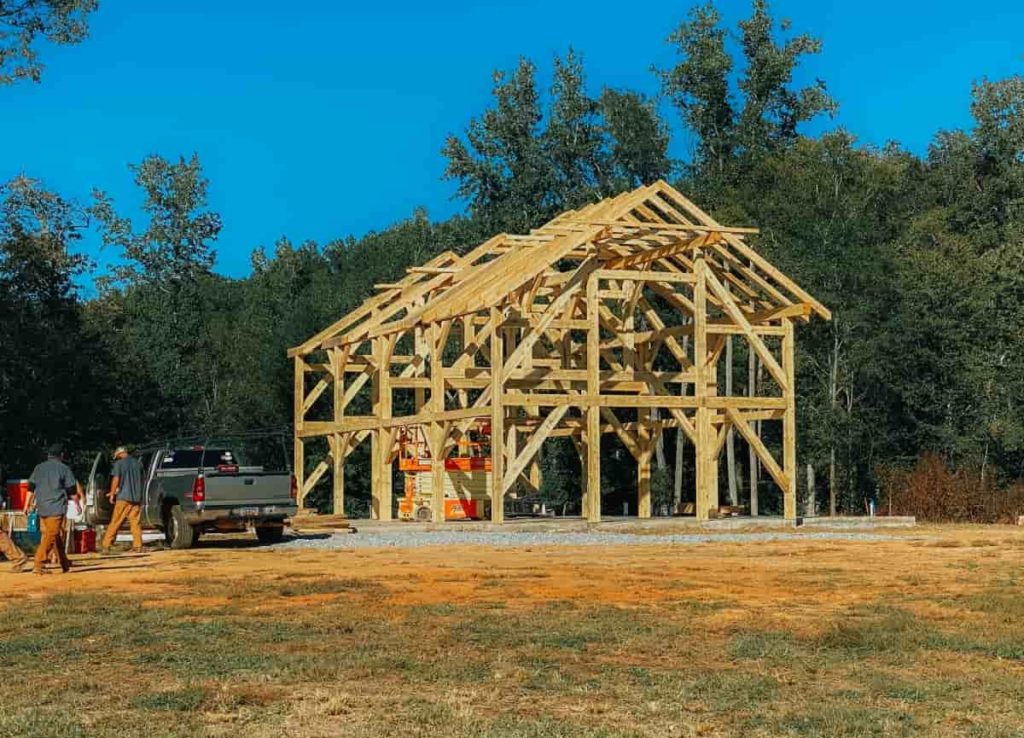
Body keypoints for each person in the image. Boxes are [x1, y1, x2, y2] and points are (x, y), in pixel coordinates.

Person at [25, 444, 79, 575]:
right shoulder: (64, 468)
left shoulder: (38, 468)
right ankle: (39, 563)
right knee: (52, 535)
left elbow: (31, 487)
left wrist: (27, 504)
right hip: (56, 506)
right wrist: (77, 503)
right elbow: (72, 489)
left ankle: (64, 564)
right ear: (61, 455)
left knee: (54, 535)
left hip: (42, 507)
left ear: (49, 455)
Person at [100, 446, 144, 554]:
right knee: (135, 522)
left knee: (115, 521)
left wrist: (112, 494)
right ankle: (138, 546)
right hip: (136, 498)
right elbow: (143, 479)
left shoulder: (119, 464)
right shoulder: (138, 463)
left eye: (117, 456)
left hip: (123, 497)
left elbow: (116, 479)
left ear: (120, 454)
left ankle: (106, 545)